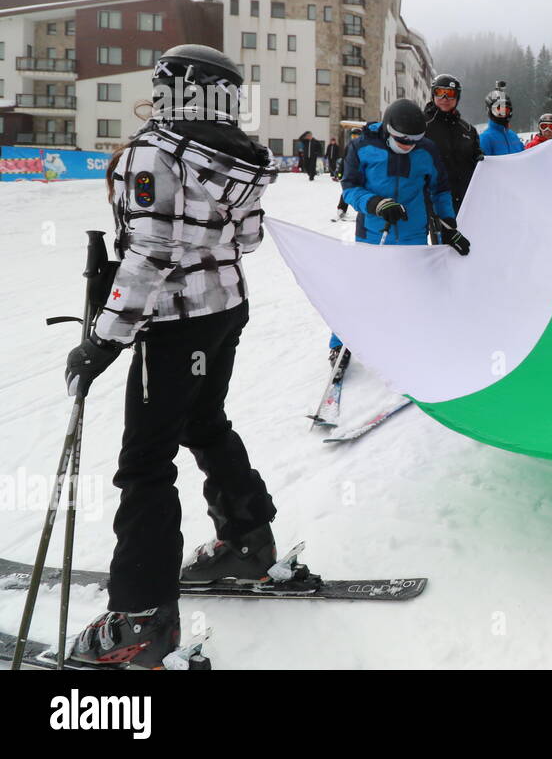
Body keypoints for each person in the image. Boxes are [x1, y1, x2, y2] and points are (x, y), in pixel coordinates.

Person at [63, 44, 280, 668]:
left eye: (162, 83)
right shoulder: (239, 155)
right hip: (224, 309)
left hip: (178, 322)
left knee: (145, 462)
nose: (155, 94)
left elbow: (152, 255)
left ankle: (140, 619)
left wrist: (104, 339)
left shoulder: (155, 153)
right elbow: (248, 238)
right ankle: (247, 540)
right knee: (205, 423)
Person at [329, 99, 470, 360]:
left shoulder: (426, 151)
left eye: (414, 141)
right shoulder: (362, 147)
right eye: (403, 140)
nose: (408, 146)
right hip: (372, 233)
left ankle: (416, 339)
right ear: (388, 129)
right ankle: (341, 342)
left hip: (413, 234)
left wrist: (449, 226)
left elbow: (439, 190)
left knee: (416, 291)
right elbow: (349, 188)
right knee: (361, 290)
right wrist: (376, 203)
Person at [423, 73, 482, 213]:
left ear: (457, 97)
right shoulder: (421, 124)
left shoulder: (468, 130)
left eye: (450, 93)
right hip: (432, 201)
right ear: (433, 94)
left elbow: (475, 159)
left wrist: (479, 157)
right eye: (440, 93)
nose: (445, 98)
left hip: (463, 201)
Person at [478, 80, 524, 156]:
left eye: (505, 111)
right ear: (490, 111)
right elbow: (482, 165)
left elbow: (524, 157)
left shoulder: (513, 136)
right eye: (498, 110)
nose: (502, 115)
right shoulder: (485, 138)